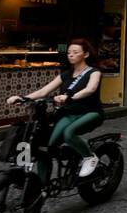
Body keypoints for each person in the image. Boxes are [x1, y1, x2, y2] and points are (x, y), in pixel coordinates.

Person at [6, 39, 104, 180]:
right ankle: (41, 186)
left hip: (90, 112)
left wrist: (70, 97)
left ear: (86, 54)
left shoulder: (94, 72)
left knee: (68, 133)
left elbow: (91, 89)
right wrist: (23, 98)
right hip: (69, 114)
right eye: (69, 52)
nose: (70, 55)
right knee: (47, 147)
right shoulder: (65, 74)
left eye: (75, 52)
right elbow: (44, 91)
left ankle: (89, 157)